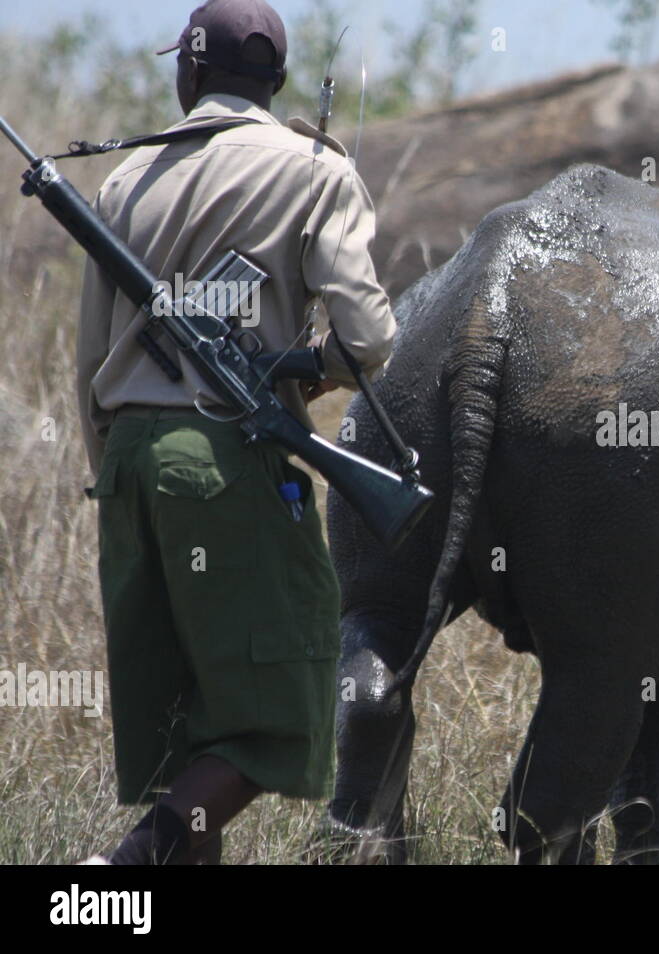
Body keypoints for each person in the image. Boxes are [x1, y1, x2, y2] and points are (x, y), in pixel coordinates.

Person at [76, 0, 396, 864]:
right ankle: (113, 876)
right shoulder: (316, 172)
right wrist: (305, 369)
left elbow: (88, 365)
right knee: (274, 709)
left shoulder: (123, 179)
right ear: (278, 82)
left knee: (189, 730)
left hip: (134, 465)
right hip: (232, 463)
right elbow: (370, 340)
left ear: (189, 72)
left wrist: (115, 475)